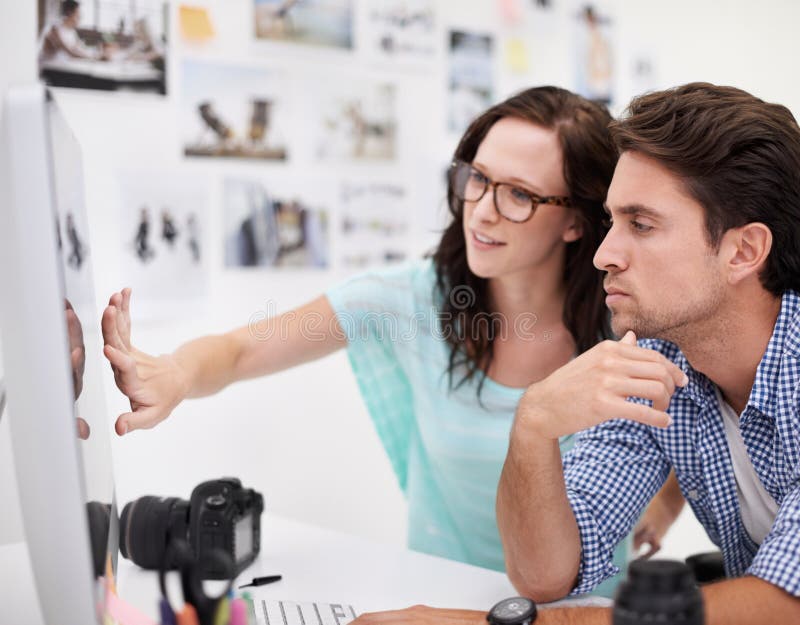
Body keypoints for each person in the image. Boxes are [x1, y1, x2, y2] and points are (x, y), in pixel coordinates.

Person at [102, 86, 670, 596]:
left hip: (583, 612)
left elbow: (708, 418)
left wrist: (667, 503)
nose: (481, 211)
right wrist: (175, 373)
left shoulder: (625, 326)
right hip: (438, 602)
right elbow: (243, 348)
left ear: (577, 220)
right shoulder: (410, 301)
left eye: (518, 194)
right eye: (477, 177)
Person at [360, 82, 800, 623]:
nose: (605, 255)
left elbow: (781, 603)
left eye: (640, 224)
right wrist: (533, 425)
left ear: (743, 251)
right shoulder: (663, 359)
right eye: (612, 222)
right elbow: (546, 573)